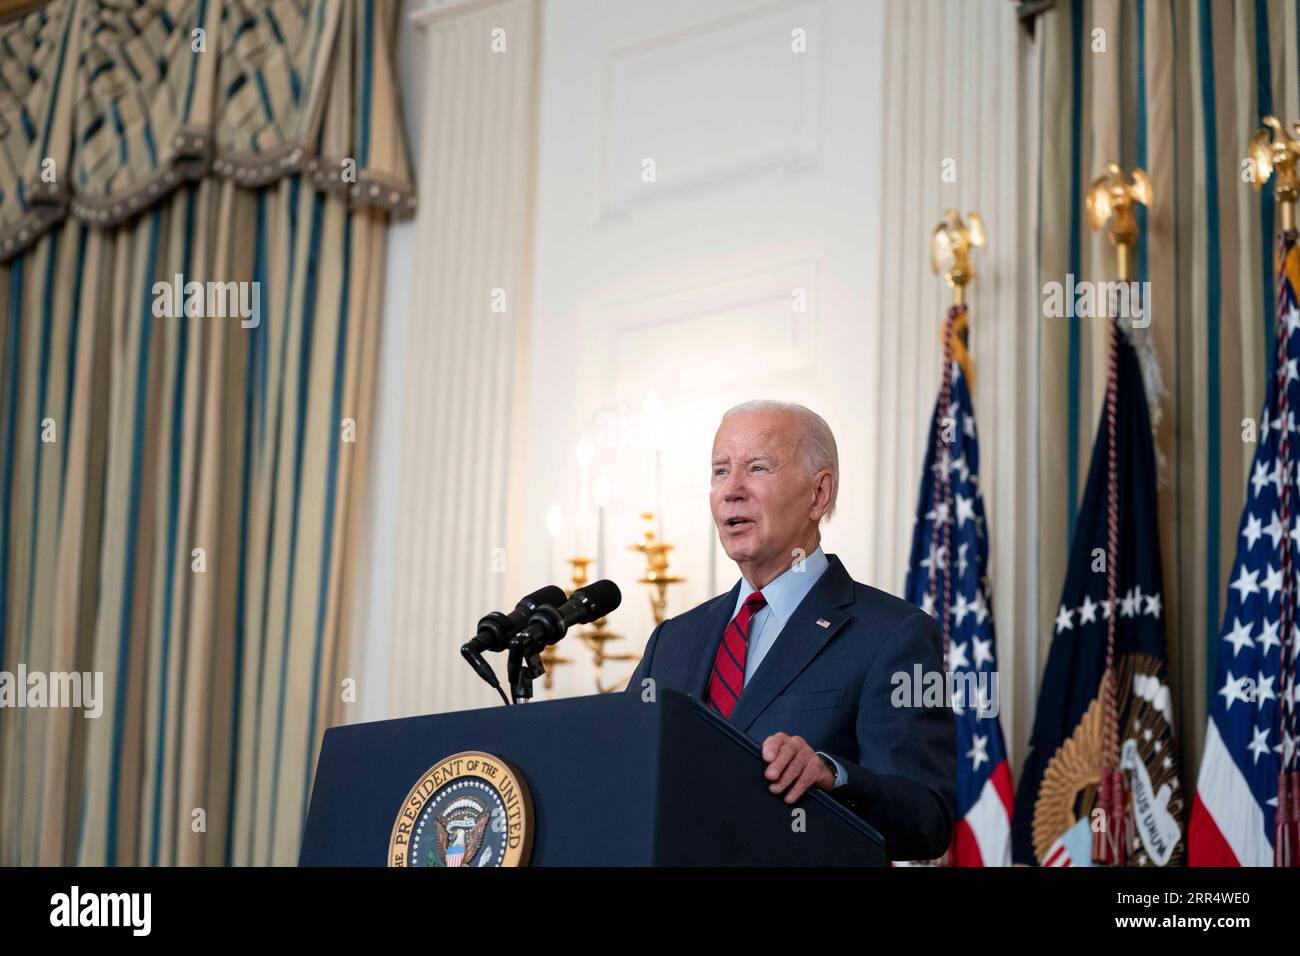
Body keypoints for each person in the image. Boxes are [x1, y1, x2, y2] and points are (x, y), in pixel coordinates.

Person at [626, 400, 955, 860]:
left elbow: (927, 820)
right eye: (720, 471)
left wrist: (832, 775)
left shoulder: (894, 634)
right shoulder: (672, 641)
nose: (731, 490)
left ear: (818, 495)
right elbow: (623, 776)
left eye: (757, 467)